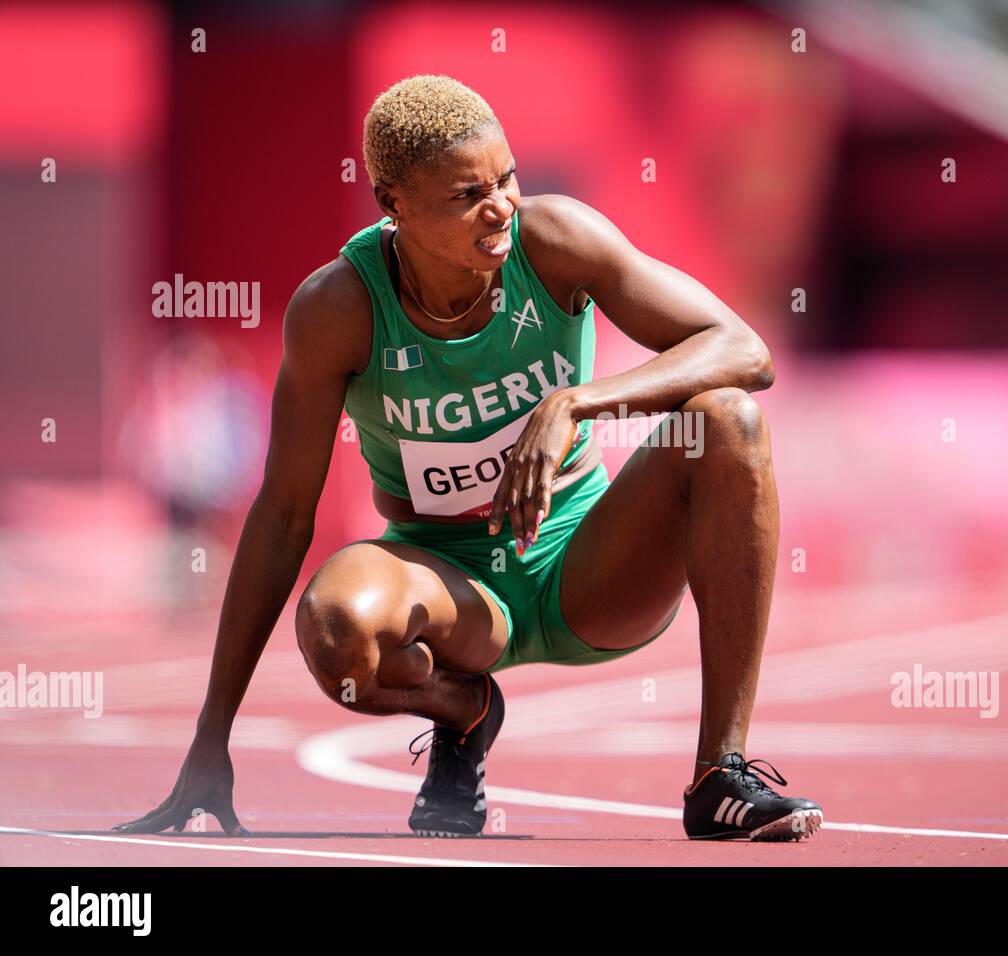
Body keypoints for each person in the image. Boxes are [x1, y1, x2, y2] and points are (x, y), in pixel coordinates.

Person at [114, 74, 822, 842]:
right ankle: (464, 710)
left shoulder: (555, 241)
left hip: (590, 572)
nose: (501, 207)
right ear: (393, 204)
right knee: (336, 628)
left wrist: (575, 403)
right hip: (449, 590)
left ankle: (720, 774)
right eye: (466, 195)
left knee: (729, 421)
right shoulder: (337, 309)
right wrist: (211, 736)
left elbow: (743, 350)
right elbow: (283, 514)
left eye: (506, 178)